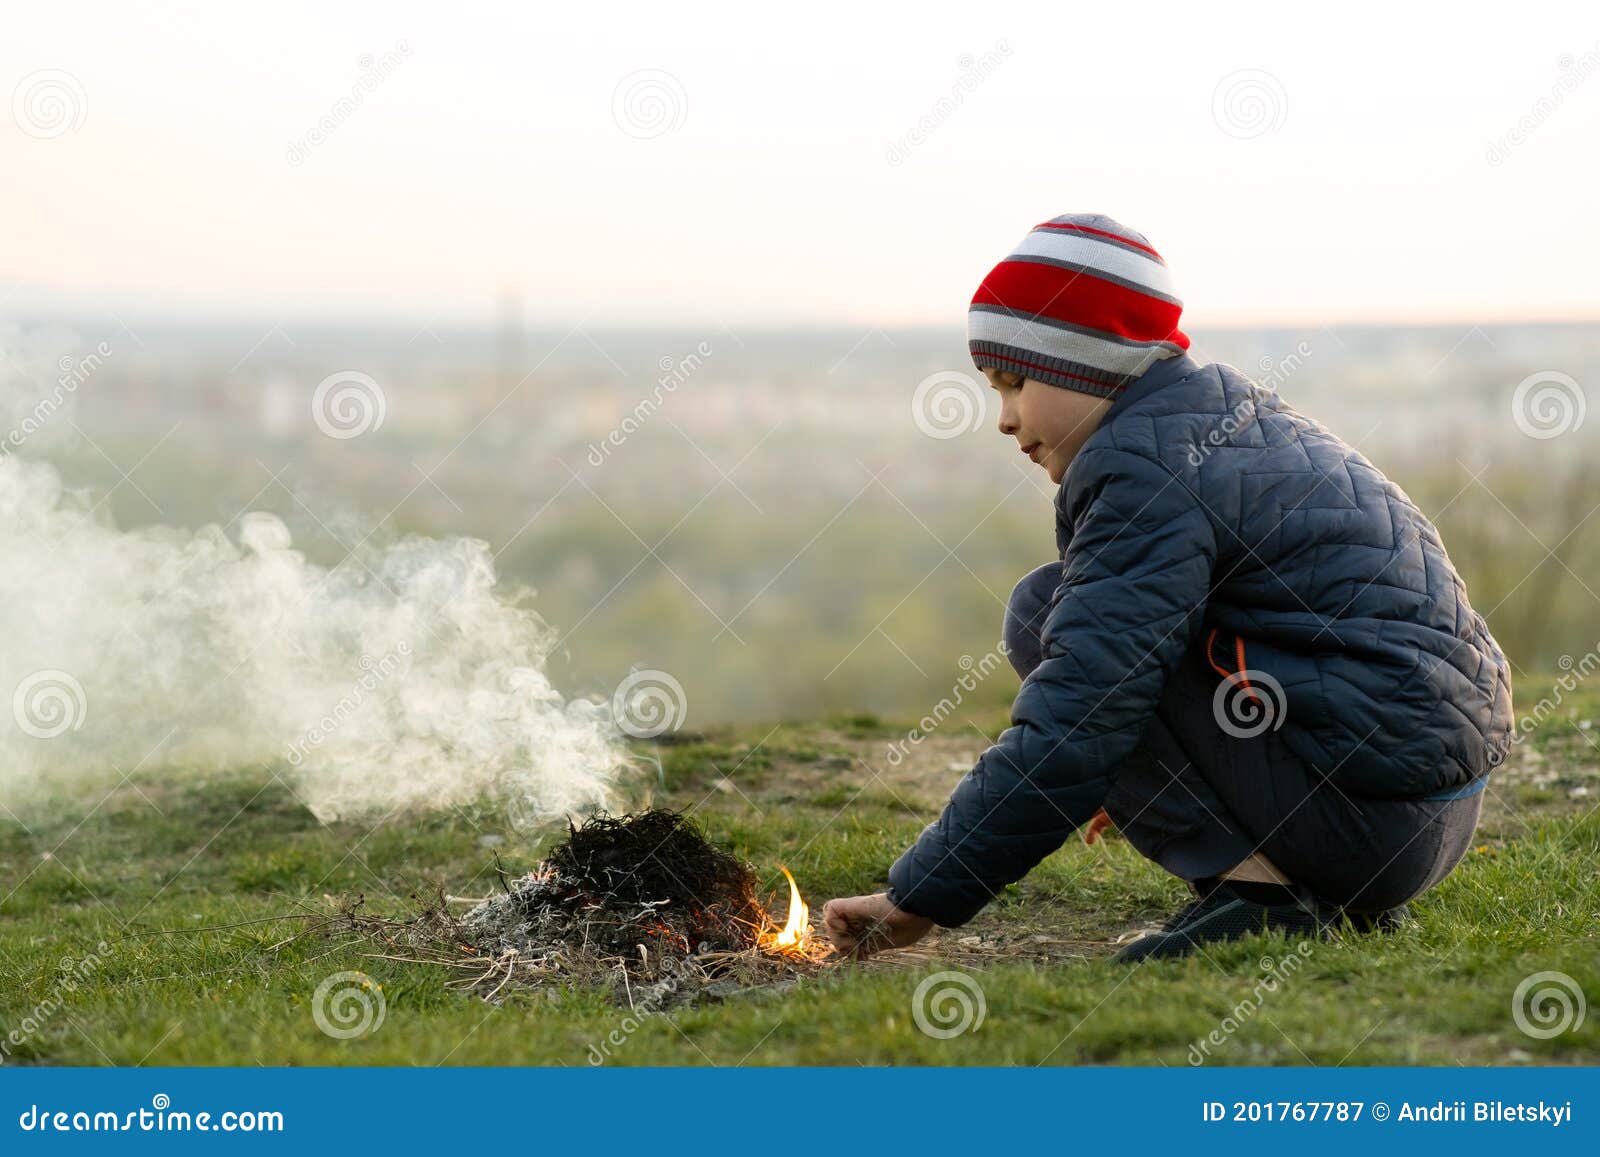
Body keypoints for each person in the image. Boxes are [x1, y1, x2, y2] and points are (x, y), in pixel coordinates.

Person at [822, 212, 1513, 962]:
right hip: (1426, 819)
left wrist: (920, 896)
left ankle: (1265, 901)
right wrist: (1145, 773)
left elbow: (1081, 713)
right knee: (1053, 606)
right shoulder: (1215, 416)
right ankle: (1266, 881)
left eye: (1014, 381)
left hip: (1369, 828)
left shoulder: (1143, 470)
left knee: (1058, 626)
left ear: (1083, 361)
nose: (1004, 417)